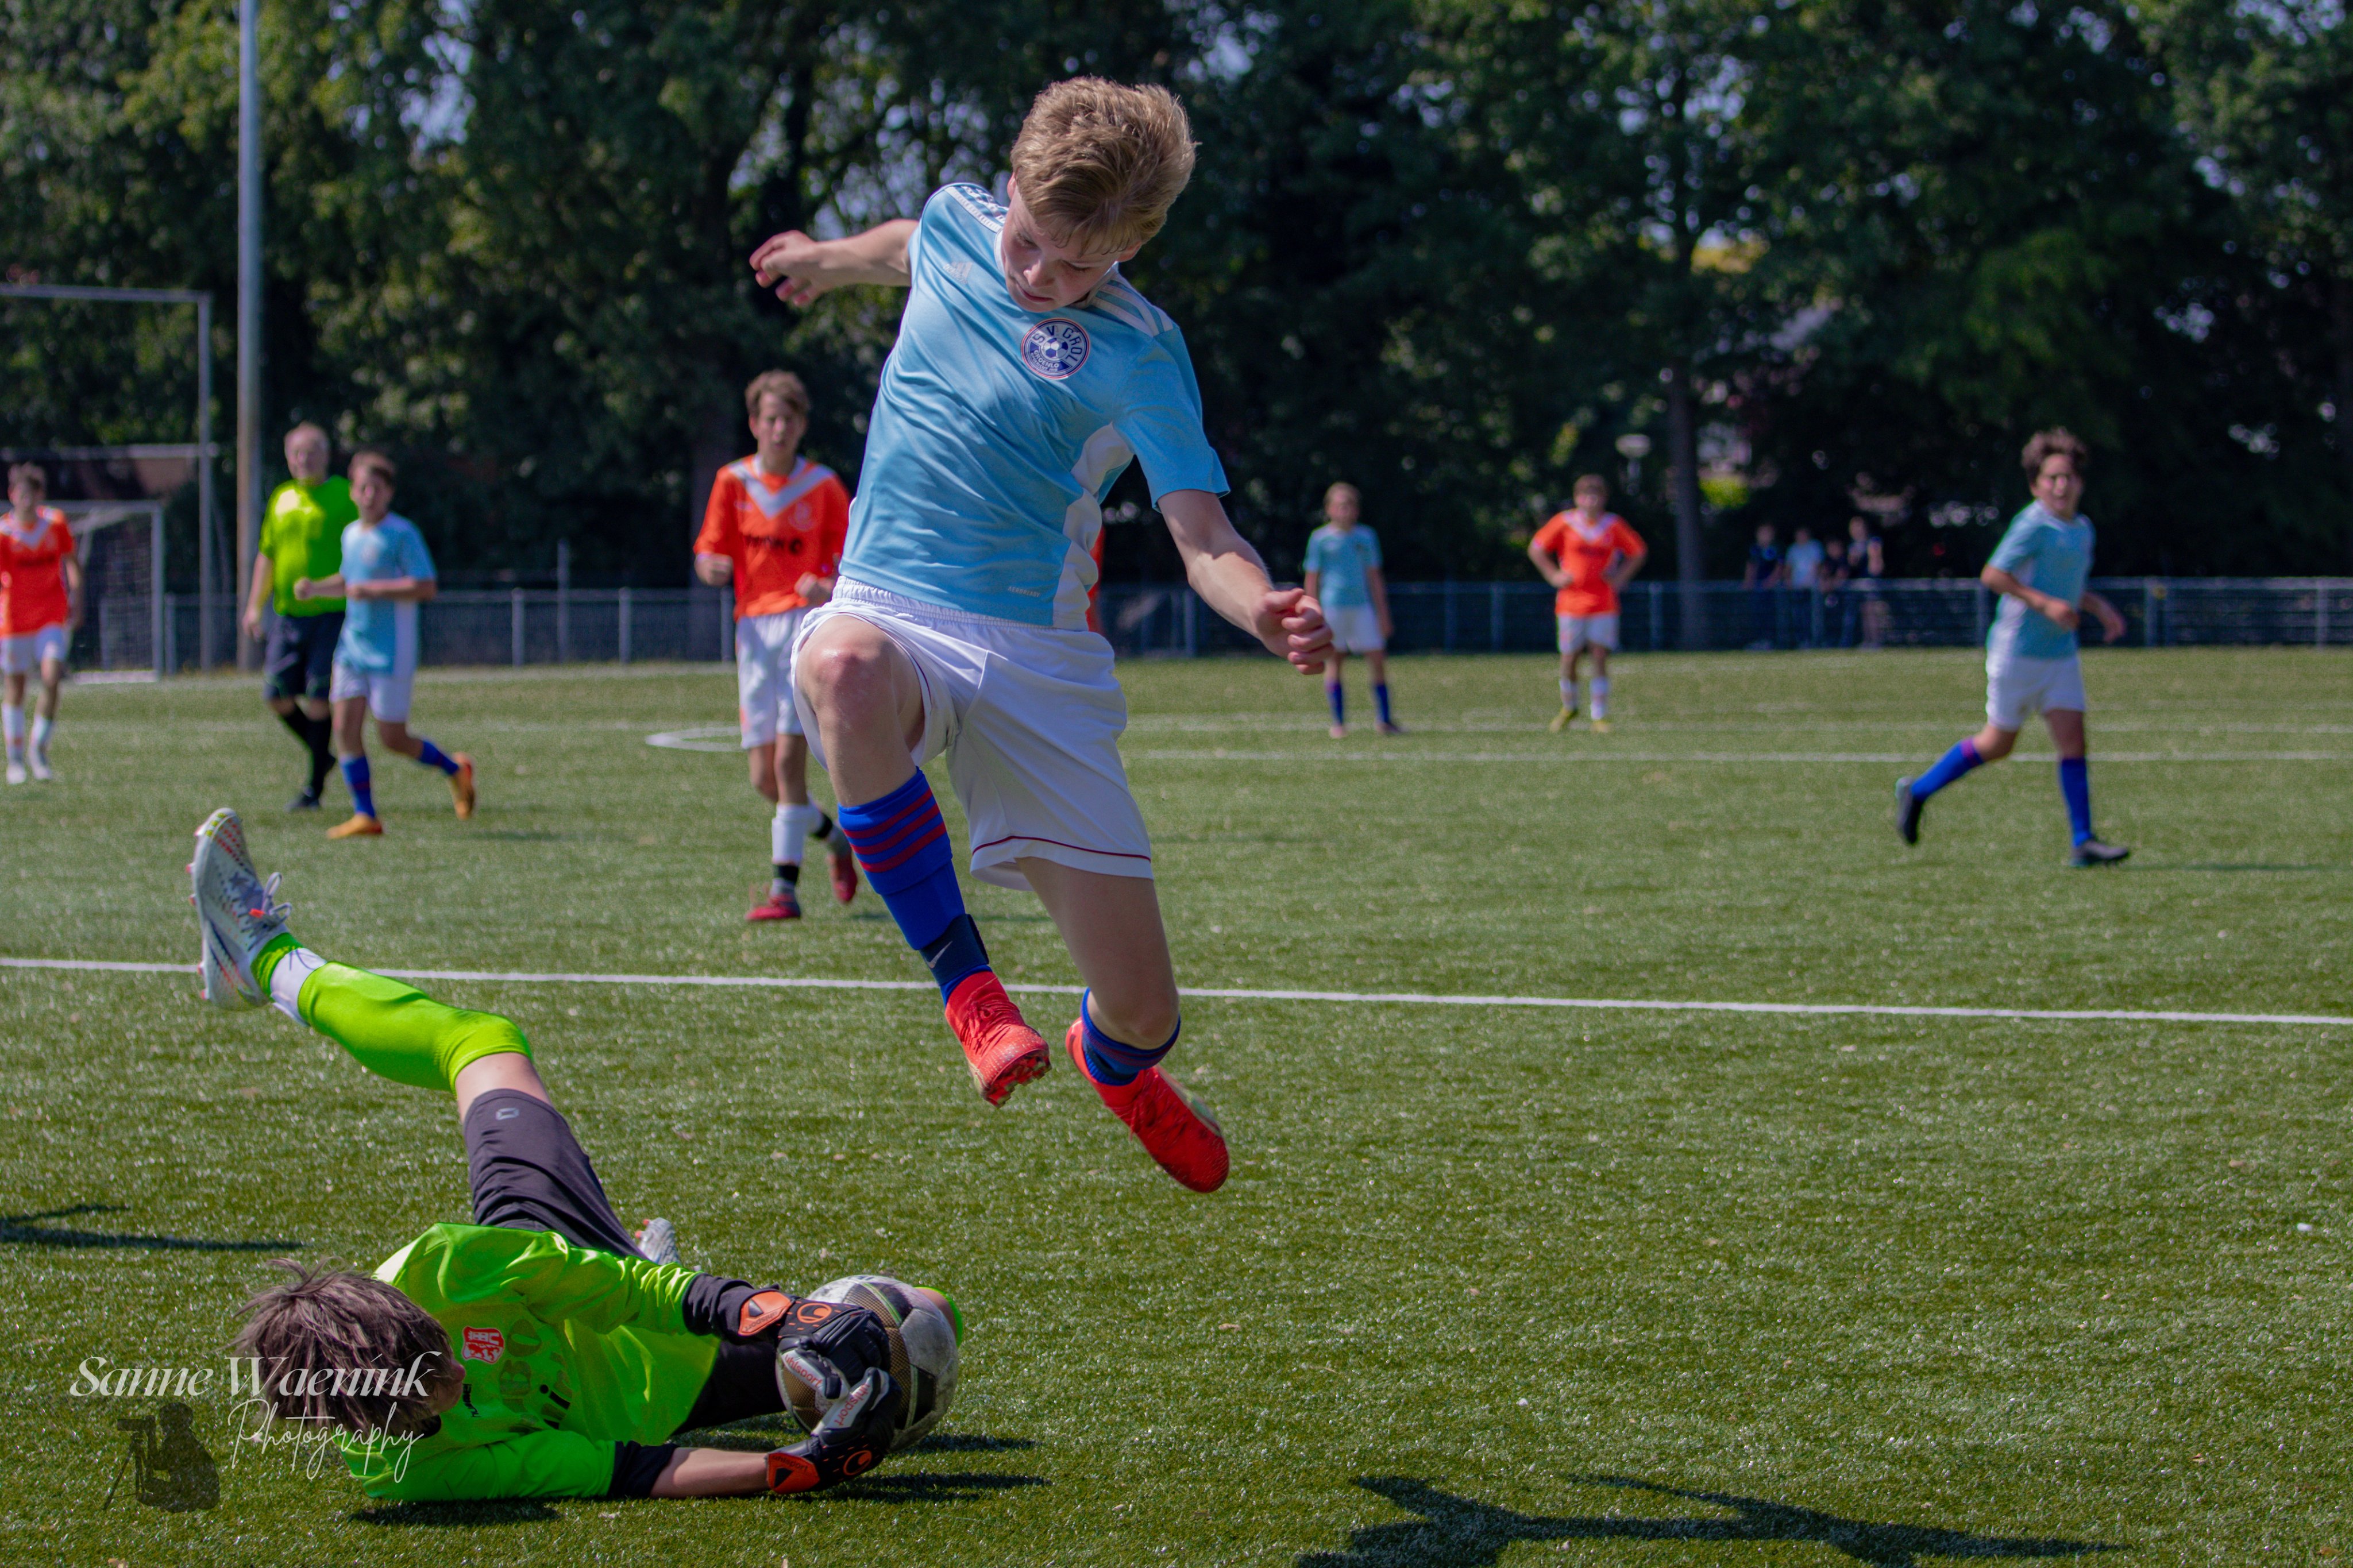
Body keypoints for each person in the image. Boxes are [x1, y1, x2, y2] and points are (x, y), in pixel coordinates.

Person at [748, 78, 1331, 1194]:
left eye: (1074, 266)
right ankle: (969, 991)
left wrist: (1258, 605)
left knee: (1144, 1009)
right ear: (1009, 186)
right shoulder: (958, 226)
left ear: (1131, 246)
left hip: (1034, 661)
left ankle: (1112, 1065)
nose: (1036, 278)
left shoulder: (1142, 353)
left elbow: (1202, 533)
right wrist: (826, 260)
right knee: (839, 667)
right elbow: (906, 245)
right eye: (1027, 243)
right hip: (890, 609)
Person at [186, 806, 946, 1501]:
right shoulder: (413, 1470)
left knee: (481, 1041)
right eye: (434, 1379)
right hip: (665, 1393)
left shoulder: (439, 1270)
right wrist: (795, 1466)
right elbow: (623, 1469)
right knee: (919, 1320)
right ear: (377, 1419)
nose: (455, 1364)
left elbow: (627, 1290)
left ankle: (263, 957)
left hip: (562, 1257)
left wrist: (778, 1313)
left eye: (440, 1344)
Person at [1894, 428, 2130, 867]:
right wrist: (2045, 605)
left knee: (2074, 741)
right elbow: (1994, 575)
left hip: (2060, 654)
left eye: (2068, 477)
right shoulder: (2032, 525)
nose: (2061, 485)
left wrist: (2098, 607)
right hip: (2017, 653)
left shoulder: (2082, 530)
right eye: (2052, 478)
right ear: (2036, 485)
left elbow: (2067, 587)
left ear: (2080, 482)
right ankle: (1918, 790)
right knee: (1998, 744)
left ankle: (2083, 841)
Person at [694, 370, 859, 922]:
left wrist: (827, 586)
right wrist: (711, 568)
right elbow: (708, 552)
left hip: (802, 628)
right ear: (754, 424)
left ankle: (783, 891)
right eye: (771, 419)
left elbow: (855, 563)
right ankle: (835, 838)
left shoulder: (824, 487)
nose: (780, 428)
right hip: (751, 633)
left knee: (789, 765)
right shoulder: (733, 482)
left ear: (802, 425)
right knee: (765, 780)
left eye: (789, 419)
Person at [291, 450, 475, 839]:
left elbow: (426, 586)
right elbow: (349, 580)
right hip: (352, 648)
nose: (369, 495)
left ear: (389, 492)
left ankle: (455, 769)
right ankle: (366, 815)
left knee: (393, 738)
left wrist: (374, 590)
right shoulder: (351, 534)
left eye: (377, 488)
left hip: (392, 651)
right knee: (344, 728)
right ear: (353, 492)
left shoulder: (402, 534)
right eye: (362, 488)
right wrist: (316, 588)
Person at [244, 423, 354, 810]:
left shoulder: (345, 496)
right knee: (276, 696)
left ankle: (313, 791)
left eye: (311, 452)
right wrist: (254, 606)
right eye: (296, 453)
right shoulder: (282, 498)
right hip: (288, 617)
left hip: (332, 615)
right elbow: (267, 555)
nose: (303, 460)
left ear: (326, 455)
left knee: (319, 698)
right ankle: (322, 756)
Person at [1528, 475, 1646, 733]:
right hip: (1571, 602)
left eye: (1596, 496)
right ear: (1577, 498)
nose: (1590, 501)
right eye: (1585, 496)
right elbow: (1536, 548)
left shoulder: (1613, 525)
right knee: (1569, 657)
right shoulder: (1565, 522)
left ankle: (1599, 715)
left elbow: (1637, 552)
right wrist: (1553, 575)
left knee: (1600, 655)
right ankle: (1569, 706)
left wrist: (1621, 578)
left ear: (1603, 499)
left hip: (1604, 602)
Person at [1, 462, 82, 784]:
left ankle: (39, 750)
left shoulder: (55, 524)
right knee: (16, 688)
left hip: (51, 616)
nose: (25, 500)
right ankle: (15, 760)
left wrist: (77, 597)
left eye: (31, 494)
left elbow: (71, 562)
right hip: (14, 621)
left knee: (51, 677)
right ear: (12, 495)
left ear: (39, 496)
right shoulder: (5, 533)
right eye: (19, 494)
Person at [1302, 482, 1399, 738]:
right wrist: (1312, 612)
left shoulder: (1366, 537)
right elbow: (1312, 577)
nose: (1345, 511)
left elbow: (1374, 577)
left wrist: (1383, 614)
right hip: (1333, 607)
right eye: (1340, 506)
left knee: (1377, 659)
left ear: (1357, 510)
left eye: (1350, 506)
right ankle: (1339, 723)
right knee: (1335, 661)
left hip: (1362, 607)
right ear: (1329, 509)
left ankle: (1385, 720)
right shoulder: (1320, 539)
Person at [1843, 516, 1887, 648]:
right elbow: (1852, 565)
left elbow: (1876, 566)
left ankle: (1876, 641)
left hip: (1870, 582)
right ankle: (1868, 641)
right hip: (1859, 583)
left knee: (1872, 612)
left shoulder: (1873, 542)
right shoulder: (1853, 545)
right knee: (1864, 612)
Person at [1742, 523, 1785, 649]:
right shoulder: (1755, 549)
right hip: (1757, 588)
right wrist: (1748, 581)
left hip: (1771, 589)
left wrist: (1771, 581)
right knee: (1757, 614)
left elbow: (1780, 566)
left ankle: (1770, 641)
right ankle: (1758, 640)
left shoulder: (1776, 548)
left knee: (1770, 615)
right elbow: (1751, 565)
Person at [1785, 526, 1825, 647]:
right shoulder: (1793, 549)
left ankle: (1814, 640)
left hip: (1812, 589)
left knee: (1812, 615)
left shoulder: (1814, 547)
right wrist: (1789, 582)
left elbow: (1818, 566)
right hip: (1797, 589)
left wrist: (1810, 581)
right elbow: (1789, 567)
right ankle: (1801, 640)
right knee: (1798, 615)